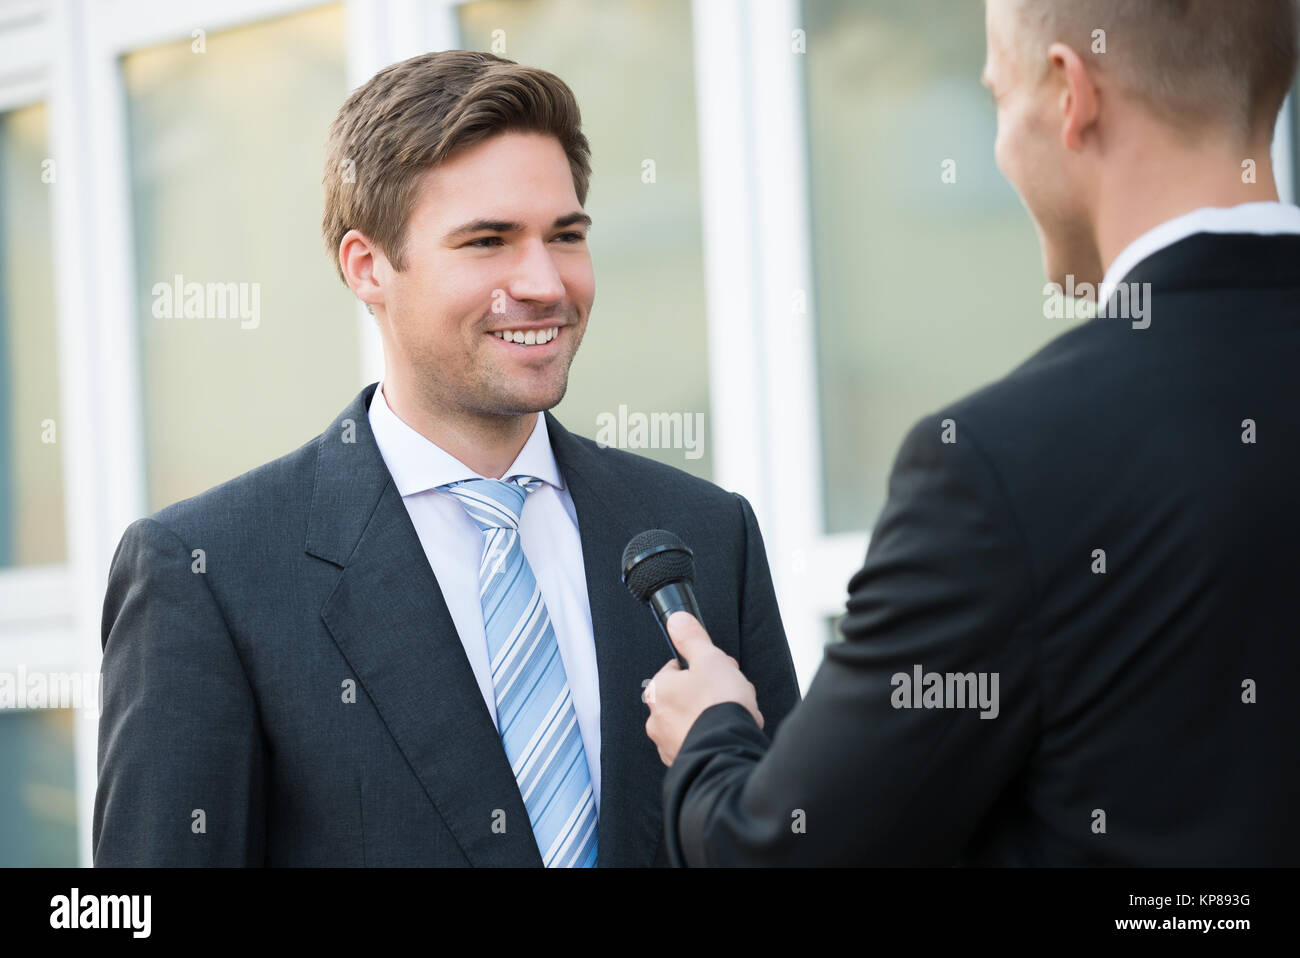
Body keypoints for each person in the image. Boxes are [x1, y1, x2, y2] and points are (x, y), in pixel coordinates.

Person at [93, 50, 800, 867]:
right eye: (488, 241)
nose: (543, 282)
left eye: (565, 235)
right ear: (368, 268)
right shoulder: (210, 573)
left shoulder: (707, 537)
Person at [645, 0, 1300, 866]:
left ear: (1070, 93)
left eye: (997, 97)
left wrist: (713, 736)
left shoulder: (1005, 465)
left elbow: (777, 851)